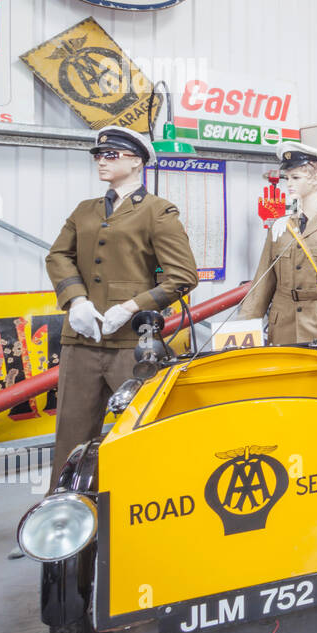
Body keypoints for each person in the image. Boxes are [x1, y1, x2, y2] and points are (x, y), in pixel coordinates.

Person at [45, 126, 198, 489]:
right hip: (81, 339)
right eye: (99, 155)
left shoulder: (158, 211)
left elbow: (182, 275)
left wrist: (132, 306)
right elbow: (58, 255)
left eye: (111, 155)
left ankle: (143, 507)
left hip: (131, 344)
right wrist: (76, 300)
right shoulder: (85, 210)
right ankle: (59, 517)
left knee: (140, 430)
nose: (102, 161)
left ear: (136, 161)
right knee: (71, 433)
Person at [239, 142, 317, 345]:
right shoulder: (280, 228)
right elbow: (263, 281)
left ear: (314, 179)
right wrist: (244, 325)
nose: (289, 184)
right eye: (287, 178)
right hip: (281, 327)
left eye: (296, 177)